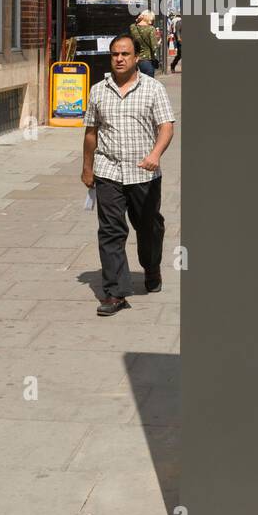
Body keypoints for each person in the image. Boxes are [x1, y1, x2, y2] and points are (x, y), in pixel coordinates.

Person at [82, 32, 176, 316]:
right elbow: (91, 132)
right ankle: (115, 293)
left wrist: (155, 155)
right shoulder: (98, 90)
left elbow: (166, 126)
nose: (119, 59)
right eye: (115, 54)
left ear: (136, 58)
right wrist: (87, 168)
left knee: (148, 227)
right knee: (110, 231)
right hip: (108, 170)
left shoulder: (153, 88)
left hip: (144, 173)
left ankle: (151, 266)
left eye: (125, 54)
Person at [131, 10, 161, 77]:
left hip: (135, 60)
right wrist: (159, 42)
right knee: (148, 81)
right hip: (147, 60)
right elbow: (154, 47)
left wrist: (137, 20)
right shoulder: (151, 29)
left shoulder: (133, 27)